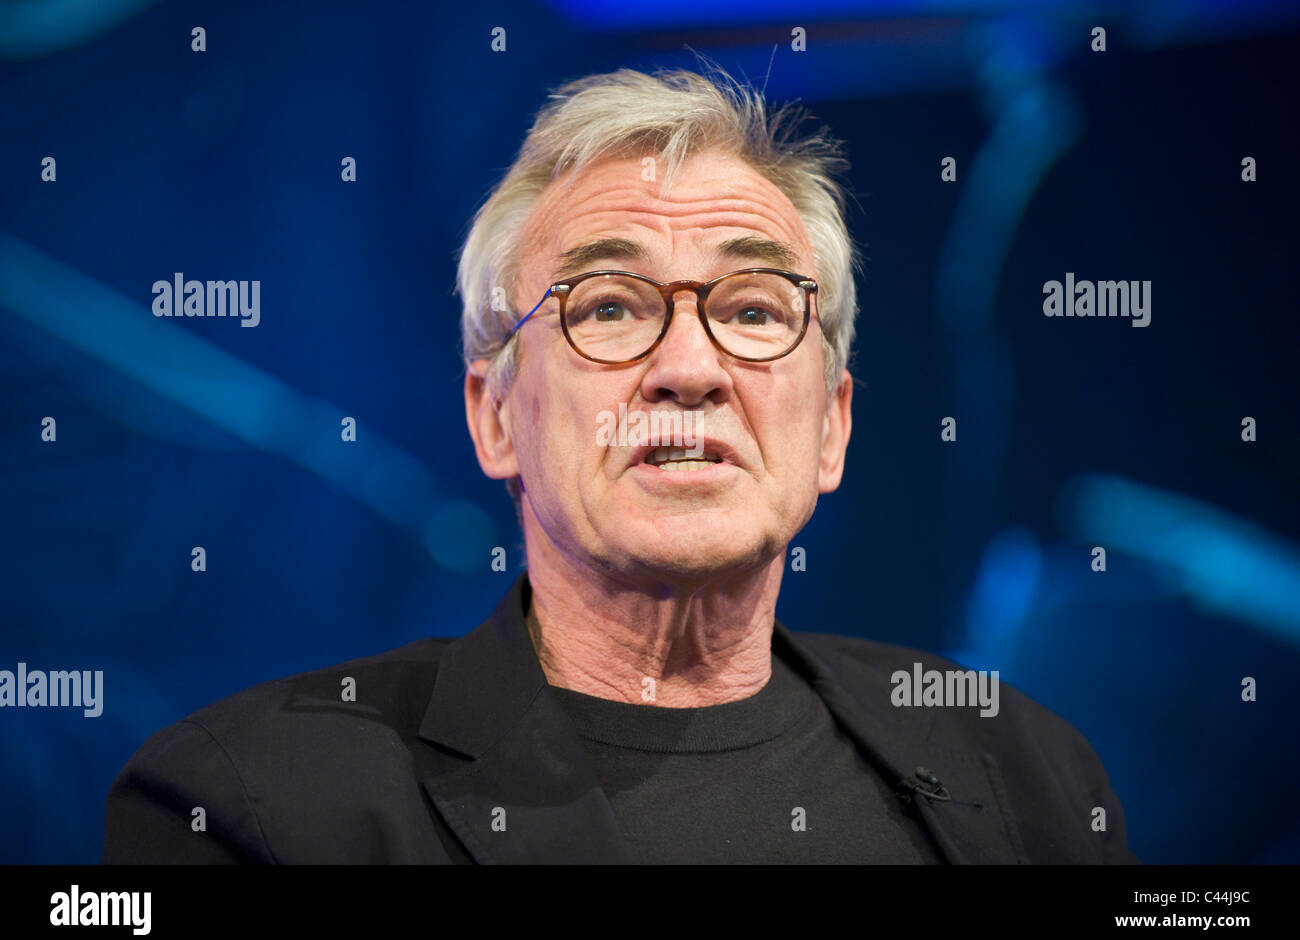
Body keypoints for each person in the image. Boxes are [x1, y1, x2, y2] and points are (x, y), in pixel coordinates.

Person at [103, 65, 1138, 864]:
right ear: (495, 416)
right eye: (608, 309)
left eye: (750, 311)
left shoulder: (1021, 775)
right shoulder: (248, 805)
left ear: (829, 427)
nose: (689, 367)